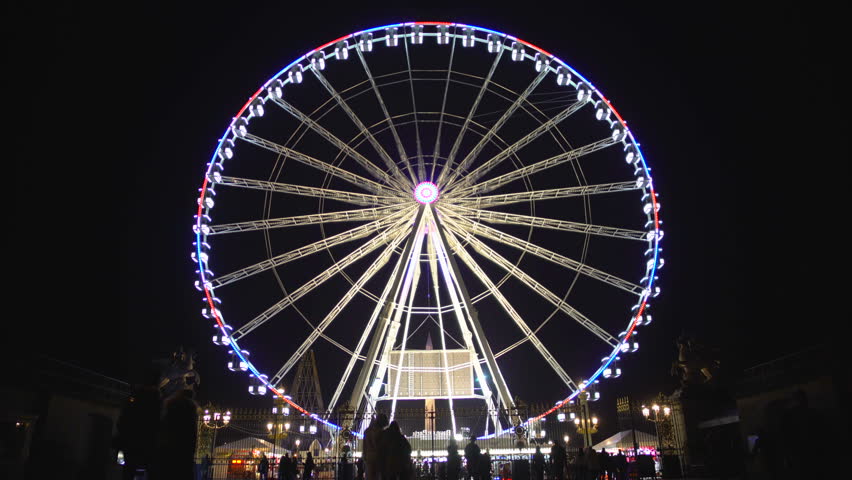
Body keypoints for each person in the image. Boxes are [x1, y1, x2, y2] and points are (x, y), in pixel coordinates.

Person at [152, 388, 198, 480]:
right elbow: (192, 436)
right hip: (184, 452)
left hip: (167, 449)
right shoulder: (191, 413)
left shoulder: (171, 408)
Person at [364, 413, 389, 480]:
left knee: (370, 475)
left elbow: (364, 446)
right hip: (379, 456)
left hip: (369, 456)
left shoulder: (367, 431)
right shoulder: (381, 432)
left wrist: (365, 455)